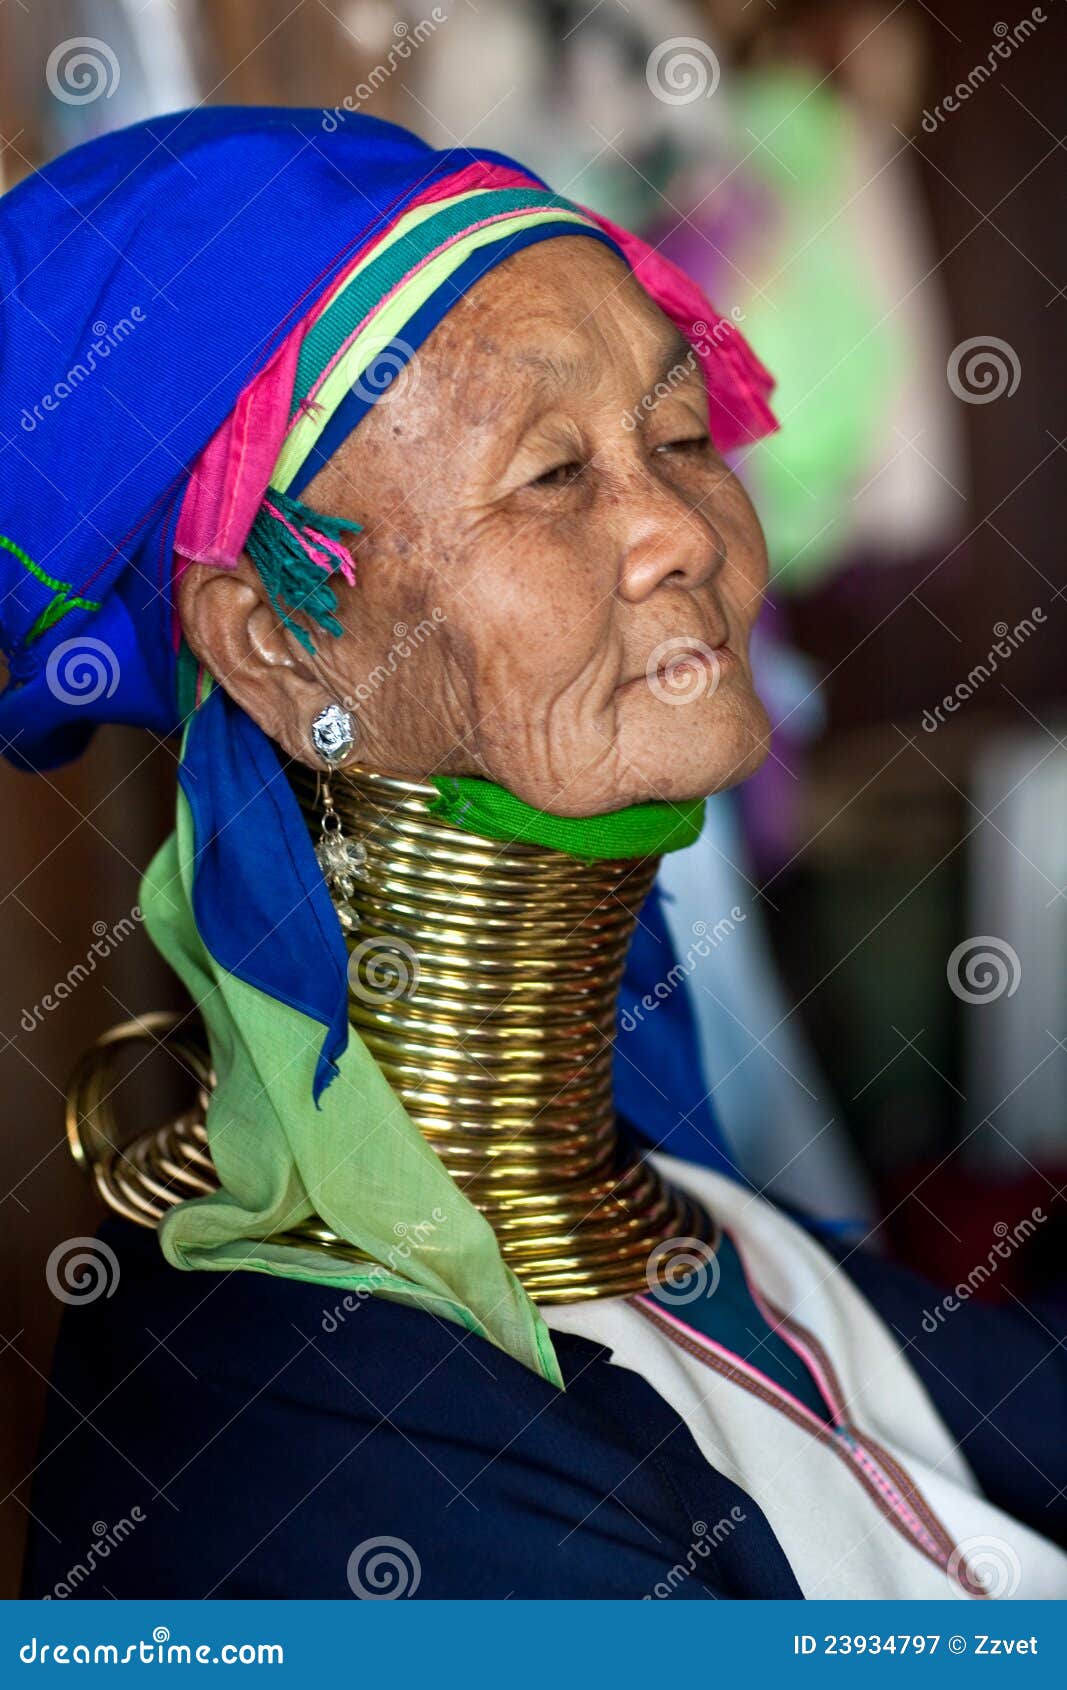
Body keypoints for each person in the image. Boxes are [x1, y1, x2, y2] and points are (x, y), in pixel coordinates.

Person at [3, 108, 1064, 1601]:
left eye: (682, 435)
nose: (678, 529)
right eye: (553, 475)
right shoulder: (290, 1431)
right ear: (278, 645)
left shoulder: (691, 1227)